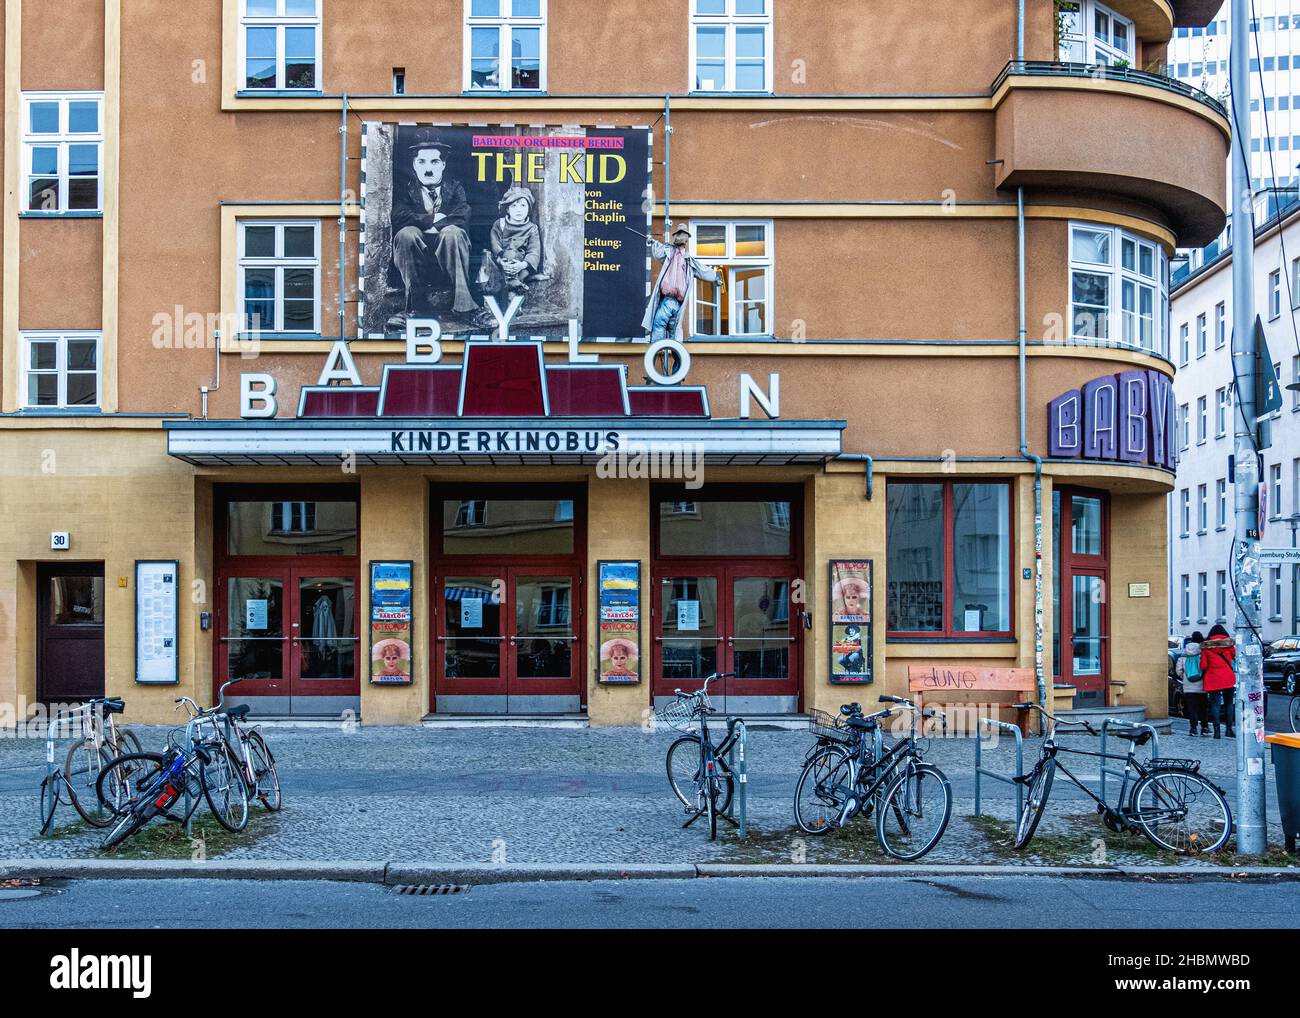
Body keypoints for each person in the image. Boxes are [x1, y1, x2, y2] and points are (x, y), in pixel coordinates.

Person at [387, 130, 478, 330]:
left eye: (434, 162)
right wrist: (431, 220)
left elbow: (463, 213)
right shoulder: (407, 189)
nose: (428, 169)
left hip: (450, 258)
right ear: (414, 164)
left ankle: (464, 307)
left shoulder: (455, 187)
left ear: (443, 165)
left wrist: (436, 227)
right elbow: (399, 215)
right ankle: (415, 308)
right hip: (416, 260)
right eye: (422, 162)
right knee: (406, 234)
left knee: (453, 232)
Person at [642, 225, 721, 342]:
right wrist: (652, 242)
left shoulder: (689, 261)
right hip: (668, 300)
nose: (680, 237)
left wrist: (715, 276)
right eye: (679, 234)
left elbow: (702, 270)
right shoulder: (669, 252)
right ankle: (658, 351)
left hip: (677, 304)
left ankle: (675, 357)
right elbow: (658, 252)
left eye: (683, 234)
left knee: (668, 328)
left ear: (687, 239)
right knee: (662, 325)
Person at [480, 185, 542, 298]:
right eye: (514, 206)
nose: (519, 210)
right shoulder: (499, 224)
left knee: (516, 259)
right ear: (507, 209)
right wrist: (501, 261)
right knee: (505, 255)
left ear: (529, 208)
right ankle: (510, 287)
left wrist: (522, 265)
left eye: (523, 205)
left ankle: (514, 287)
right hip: (501, 263)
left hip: (521, 266)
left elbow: (534, 251)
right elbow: (495, 245)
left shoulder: (532, 228)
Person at [1200, 623, 1236, 739]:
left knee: (1215, 705)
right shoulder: (1229, 645)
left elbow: (1204, 666)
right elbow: (1236, 657)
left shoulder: (1206, 647)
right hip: (1228, 678)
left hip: (1213, 679)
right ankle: (1229, 730)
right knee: (1229, 704)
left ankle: (1217, 732)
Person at [1177, 631, 1209, 737]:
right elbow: (1206, 667)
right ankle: (1204, 728)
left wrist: (1185, 678)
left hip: (1188, 687)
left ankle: (1193, 729)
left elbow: (1178, 670)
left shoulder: (1184, 653)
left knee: (1192, 708)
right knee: (1203, 708)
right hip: (1202, 687)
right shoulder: (1203, 652)